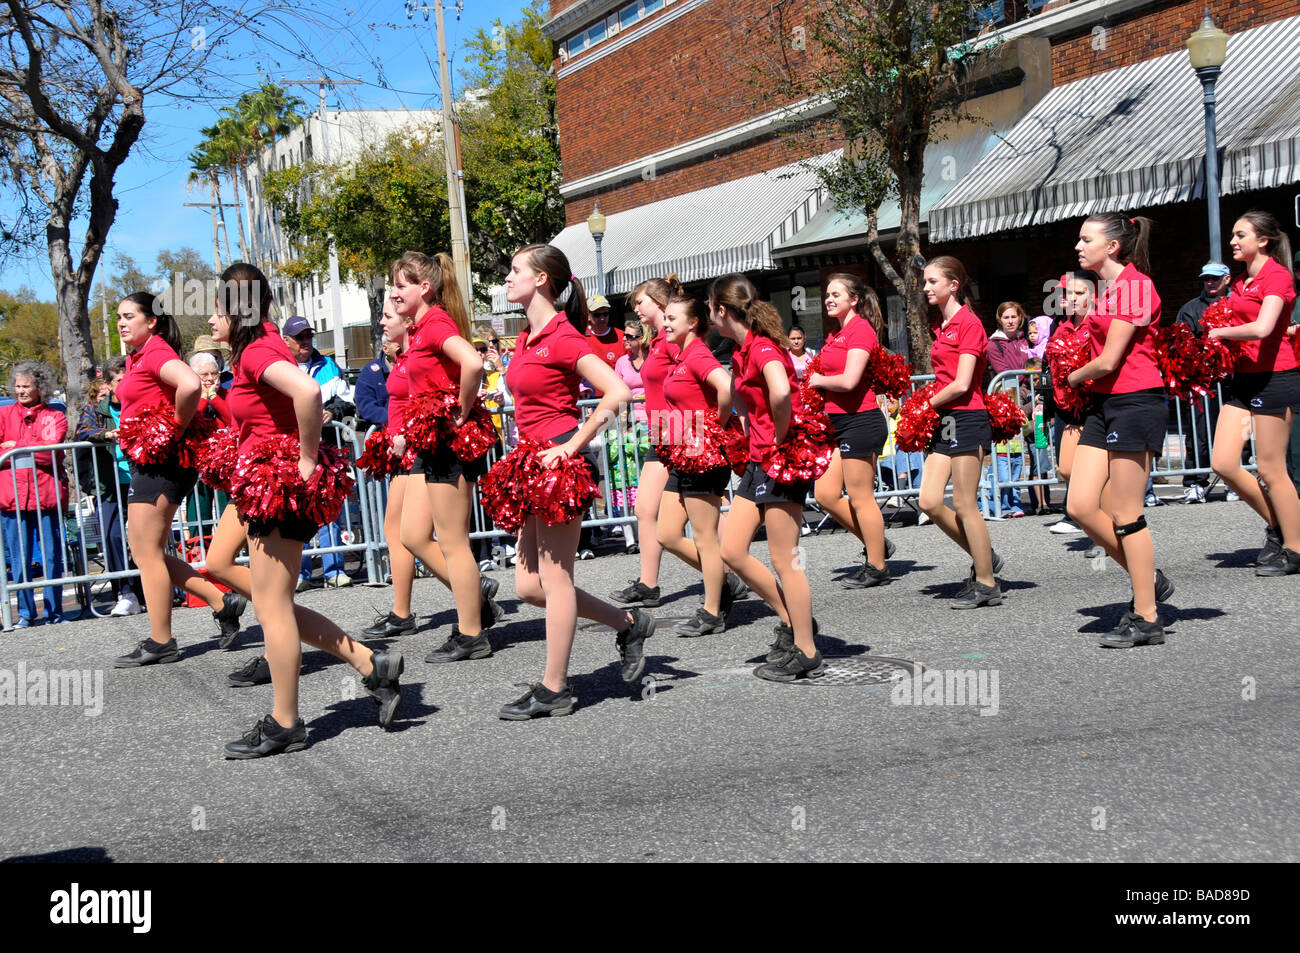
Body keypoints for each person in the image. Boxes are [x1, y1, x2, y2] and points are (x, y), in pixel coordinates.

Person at [205, 262, 404, 757]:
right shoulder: (261, 342)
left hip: (277, 484)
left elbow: (308, 391)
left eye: (215, 309)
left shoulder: (256, 351)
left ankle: (286, 722)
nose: (209, 320)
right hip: (258, 481)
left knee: (275, 609)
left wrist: (307, 458)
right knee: (254, 588)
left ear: (236, 310)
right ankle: (370, 665)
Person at [497, 243, 653, 719]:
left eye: (514, 269)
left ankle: (555, 686)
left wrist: (572, 444)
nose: (507, 278)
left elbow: (618, 393)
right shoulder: (525, 337)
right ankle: (627, 623)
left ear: (541, 279)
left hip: (560, 467)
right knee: (527, 586)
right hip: (532, 467)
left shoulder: (564, 337)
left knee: (556, 579)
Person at [110, 292, 248, 665]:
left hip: (164, 462)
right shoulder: (138, 354)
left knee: (147, 552)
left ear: (151, 321)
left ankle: (161, 641)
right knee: (146, 551)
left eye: (128, 316)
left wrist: (175, 426)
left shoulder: (156, 352)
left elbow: (189, 385)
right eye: (118, 317)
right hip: (148, 461)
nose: (121, 322)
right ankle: (222, 601)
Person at [385, 251, 502, 664]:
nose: (394, 294)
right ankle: (476, 603)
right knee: (415, 535)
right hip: (432, 444)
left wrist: (462, 408)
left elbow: (471, 362)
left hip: (451, 443)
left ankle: (472, 633)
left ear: (424, 288)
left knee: (453, 542)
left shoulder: (435, 323)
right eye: (394, 285)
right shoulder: (419, 328)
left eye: (401, 286)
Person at [1064, 214, 1175, 648]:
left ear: (1112, 247)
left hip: (1136, 402)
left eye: (1086, 239)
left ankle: (1147, 617)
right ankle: (1147, 576)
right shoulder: (1107, 290)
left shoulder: (1135, 285)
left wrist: (1071, 378)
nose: (1078, 245)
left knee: (1127, 512)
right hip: (1104, 405)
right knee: (1080, 503)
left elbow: (1110, 360)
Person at [708, 274, 823, 680]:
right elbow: (748, 398)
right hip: (759, 461)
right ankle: (794, 620)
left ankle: (806, 649)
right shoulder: (741, 351)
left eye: (710, 307)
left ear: (721, 310)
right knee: (732, 550)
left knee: (784, 560)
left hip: (781, 459)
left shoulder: (762, 348)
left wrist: (778, 433)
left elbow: (780, 390)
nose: (710, 315)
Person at [1208, 211, 1300, 575]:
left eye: (1240, 234)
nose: (1233, 240)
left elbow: (1263, 328)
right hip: (1245, 380)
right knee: (1224, 463)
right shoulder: (1243, 281)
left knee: (1270, 468)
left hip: (1275, 377)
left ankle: (1294, 548)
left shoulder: (1277, 276)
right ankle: (1280, 526)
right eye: (1232, 234)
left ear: (1263, 240)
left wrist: (1221, 334)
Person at [917, 257, 1002, 608]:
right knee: (930, 501)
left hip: (967, 416)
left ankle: (986, 583)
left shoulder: (968, 323)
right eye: (925, 281)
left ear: (953, 285)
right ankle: (984, 556)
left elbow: (964, 383)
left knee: (966, 503)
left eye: (932, 281)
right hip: (945, 417)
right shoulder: (942, 323)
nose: (925, 287)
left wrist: (925, 405)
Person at [656, 286, 735, 636]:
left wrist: (714, 425)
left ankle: (713, 609)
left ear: (692, 323)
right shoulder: (680, 357)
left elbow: (726, 385)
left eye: (672, 319)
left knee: (705, 537)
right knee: (667, 534)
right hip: (683, 456)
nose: (665, 324)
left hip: (703, 455)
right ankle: (723, 582)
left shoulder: (698, 355)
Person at [807, 273, 893, 588]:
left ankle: (877, 565)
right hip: (837, 423)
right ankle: (876, 545)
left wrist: (815, 381)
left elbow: (849, 380)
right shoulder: (836, 334)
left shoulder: (860, 329)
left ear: (853, 299)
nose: (829, 299)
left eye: (836, 294)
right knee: (826, 494)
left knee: (860, 498)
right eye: (827, 294)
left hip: (861, 420)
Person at [281, 315, 353, 590]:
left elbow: (348, 402)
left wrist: (332, 411)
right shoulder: (279, 367)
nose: (306, 341)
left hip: (324, 448)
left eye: (309, 336)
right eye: (300, 337)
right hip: (291, 450)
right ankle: (300, 574)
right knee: (296, 510)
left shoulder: (329, 365)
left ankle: (334, 571)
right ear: (286, 340)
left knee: (327, 508)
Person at [1, 361, 68, 627]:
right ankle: (26, 614)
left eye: (26, 386)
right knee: (19, 560)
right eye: (17, 386)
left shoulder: (56, 415)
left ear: (40, 387)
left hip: (46, 495)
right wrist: (32, 447)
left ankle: (55, 612)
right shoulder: (4, 415)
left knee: (52, 557)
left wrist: (16, 446)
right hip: (11, 497)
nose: (21, 391)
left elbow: (51, 450)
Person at [75, 358, 141, 616]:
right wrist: (106, 435)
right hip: (110, 483)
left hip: (140, 480)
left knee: (143, 537)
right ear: (110, 384)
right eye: (120, 382)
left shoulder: (138, 406)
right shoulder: (98, 409)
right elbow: (83, 431)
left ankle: (151, 589)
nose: (125, 387)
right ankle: (125, 593)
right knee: (113, 535)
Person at [1174, 262, 1232, 504]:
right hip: (1202, 383)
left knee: (1235, 431)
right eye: (1206, 278)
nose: (1210, 282)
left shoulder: (1238, 305)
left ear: (1226, 280)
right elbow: (1180, 341)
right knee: (1199, 432)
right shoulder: (1191, 308)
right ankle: (1195, 482)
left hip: (1232, 380)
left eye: (1215, 279)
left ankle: (1234, 480)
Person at [609, 319, 652, 553]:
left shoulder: (653, 357)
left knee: (653, 479)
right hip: (630, 424)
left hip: (654, 422)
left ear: (642, 338)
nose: (625, 339)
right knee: (628, 478)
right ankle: (632, 538)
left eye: (630, 336)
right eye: (624, 336)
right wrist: (624, 429)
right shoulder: (622, 363)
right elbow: (620, 393)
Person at [354, 340, 396, 431]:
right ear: (386, 349)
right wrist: (395, 420)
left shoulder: (413, 367)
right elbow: (366, 407)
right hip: (380, 434)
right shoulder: (369, 372)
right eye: (399, 346)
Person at [585, 295, 626, 372]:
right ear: (588, 316)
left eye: (605, 314)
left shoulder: (622, 336)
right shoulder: (581, 338)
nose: (602, 318)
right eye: (597, 315)